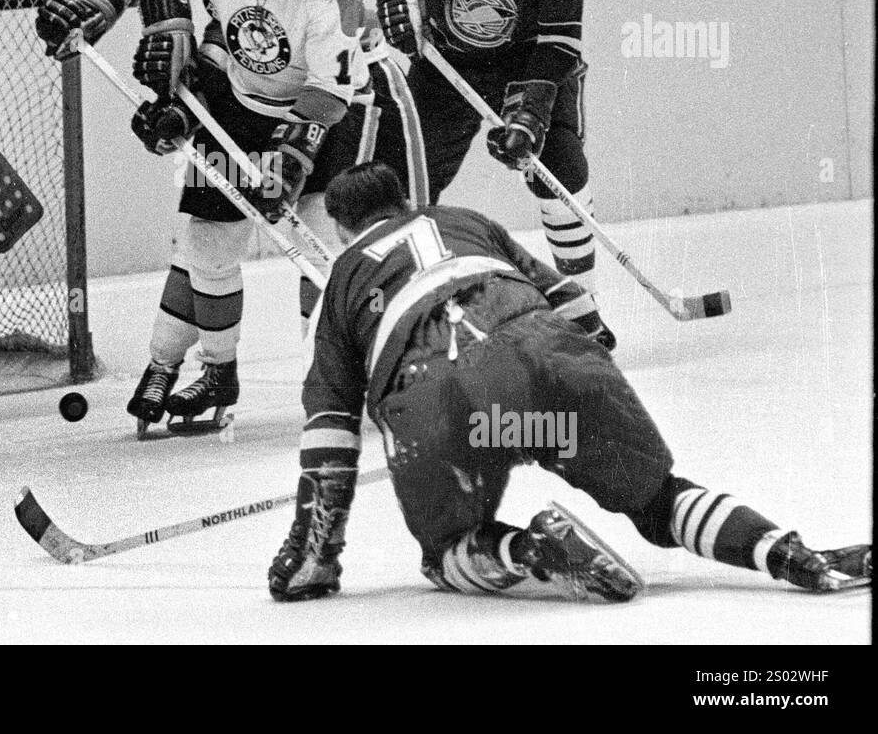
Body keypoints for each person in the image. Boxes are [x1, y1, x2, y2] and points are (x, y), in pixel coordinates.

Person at [267, 161, 871, 602]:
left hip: (440, 400)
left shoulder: (342, 276)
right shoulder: (463, 220)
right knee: (657, 500)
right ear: (404, 202)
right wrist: (592, 366)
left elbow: (331, 427)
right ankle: (792, 555)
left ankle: (531, 552)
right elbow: (570, 299)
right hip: (546, 352)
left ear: (344, 228)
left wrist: (314, 554)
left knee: (447, 552)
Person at [39, 0, 422, 429]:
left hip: (329, 113)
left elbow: (327, 94)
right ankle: (218, 370)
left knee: (321, 251)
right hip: (242, 104)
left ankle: (343, 375)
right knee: (208, 246)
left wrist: (287, 162)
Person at [351, 0, 615, 347]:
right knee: (403, 187)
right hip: (448, 64)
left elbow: (559, 43)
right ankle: (401, 314)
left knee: (558, 178)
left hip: (529, 66)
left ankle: (580, 310)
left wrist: (529, 115)